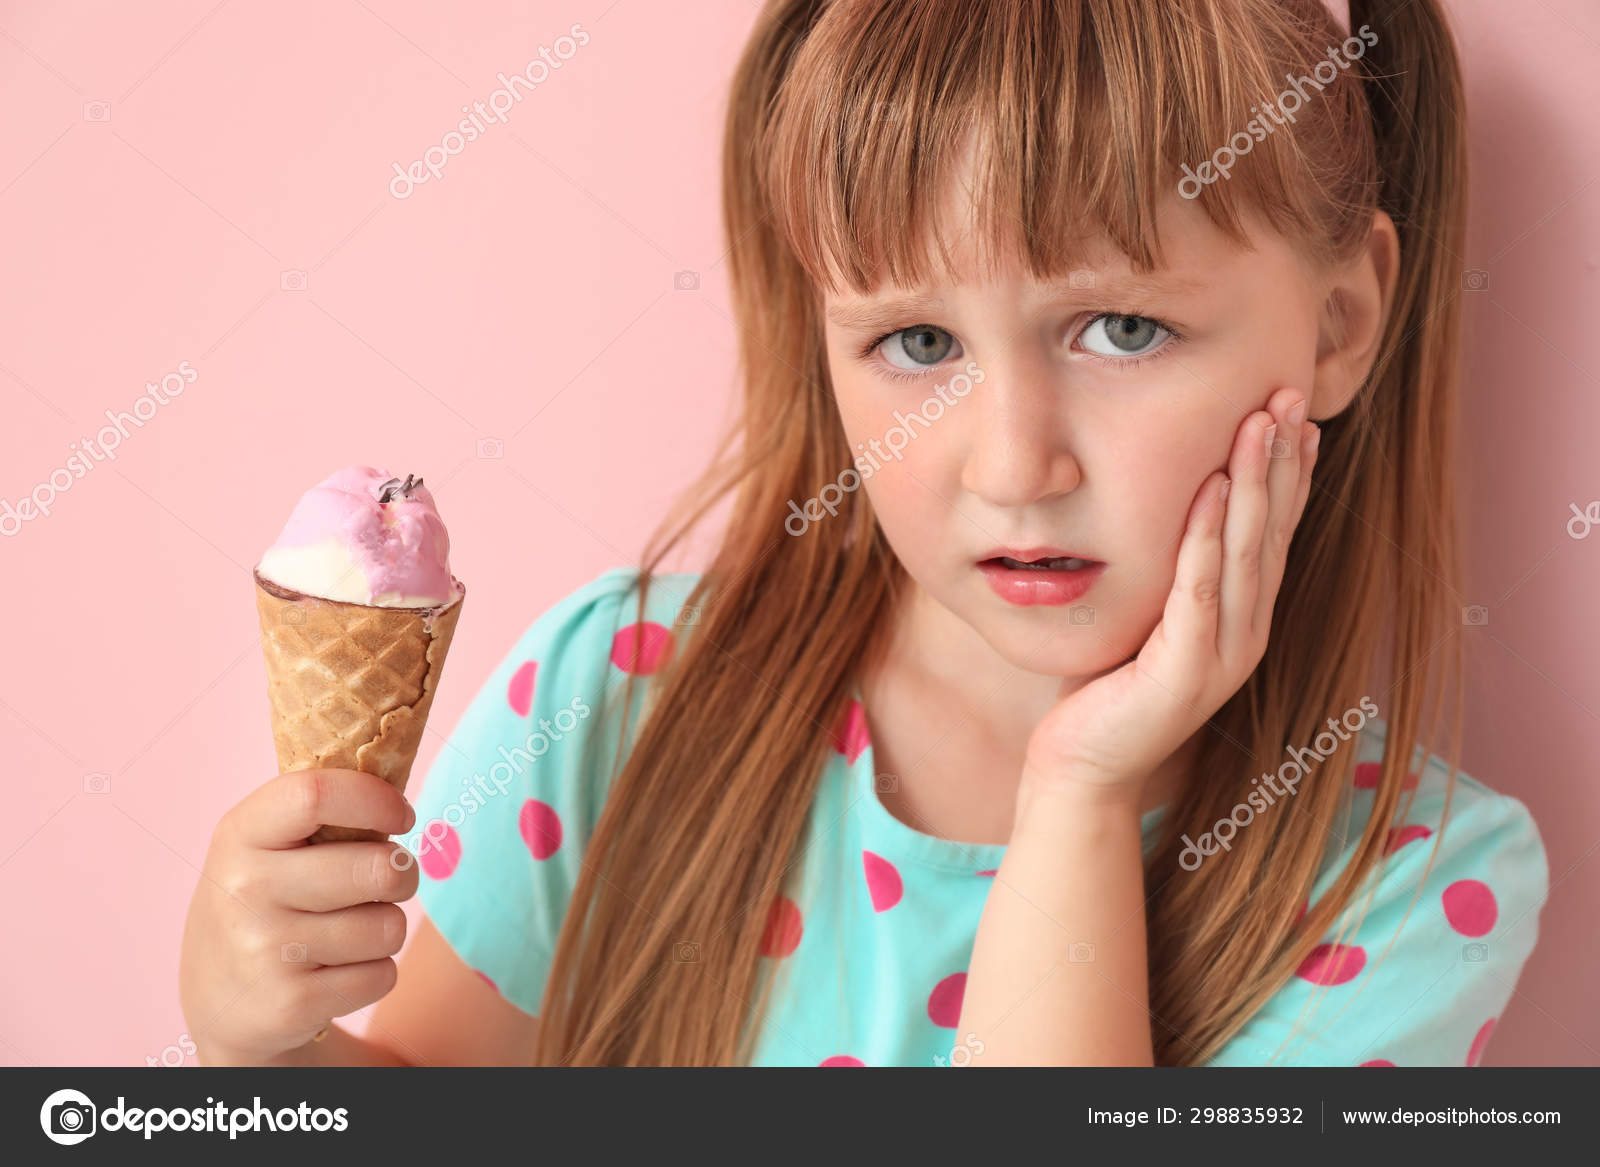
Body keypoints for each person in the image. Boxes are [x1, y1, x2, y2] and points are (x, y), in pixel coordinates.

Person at [180, 0, 1548, 1067]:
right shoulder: (622, 699)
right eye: (917, 340)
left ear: (1340, 323)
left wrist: (1075, 800)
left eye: (1122, 328)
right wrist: (268, 1047)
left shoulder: (1414, 891)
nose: (1015, 463)